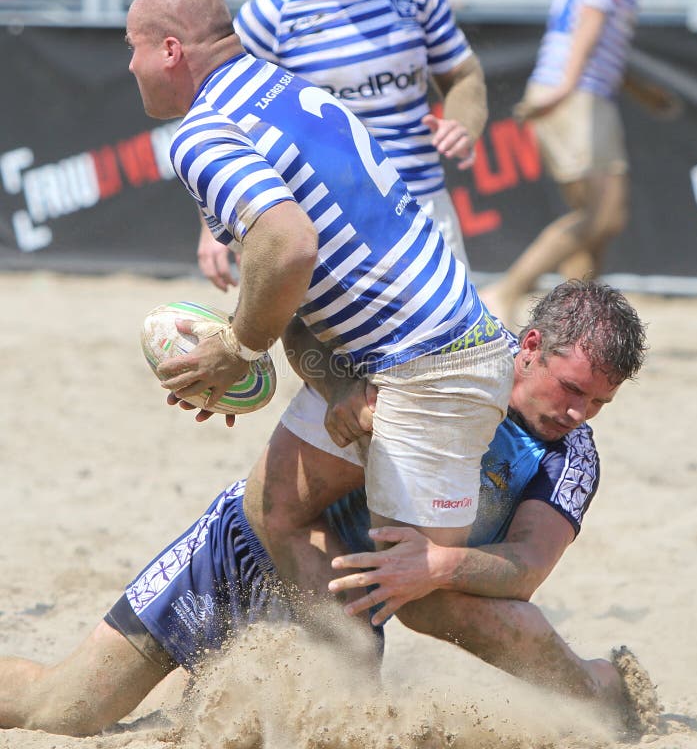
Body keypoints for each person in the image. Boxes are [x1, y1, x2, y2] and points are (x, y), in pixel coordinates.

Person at [0, 281, 657, 738]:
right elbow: (304, 316)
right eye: (572, 390)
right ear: (531, 345)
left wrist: (437, 562)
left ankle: (594, 692)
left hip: (343, 592)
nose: (578, 413)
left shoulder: (569, 454)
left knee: (461, 599)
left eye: (598, 403)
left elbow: (525, 569)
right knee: (67, 711)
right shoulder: (450, 353)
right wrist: (296, 371)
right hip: (247, 549)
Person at [125, 0, 513, 622]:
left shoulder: (201, 133)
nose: (129, 66)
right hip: (412, 350)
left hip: (430, 367)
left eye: (132, 47)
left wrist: (239, 348)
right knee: (276, 507)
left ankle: (585, 692)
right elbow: (301, 277)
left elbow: (289, 246)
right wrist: (330, 385)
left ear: (170, 50)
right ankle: (345, 691)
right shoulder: (284, 84)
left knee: (420, 595)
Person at [197, 0, 486, 291]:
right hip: (326, 218)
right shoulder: (272, 12)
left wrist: (462, 124)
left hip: (420, 203)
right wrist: (212, 226)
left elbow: (463, 75)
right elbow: (221, 115)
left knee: (460, 340)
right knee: (320, 345)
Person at [480, 0, 666, 331]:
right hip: (576, 97)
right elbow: (590, 22)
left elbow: (595, 32)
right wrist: (565, 89)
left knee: (593, 227)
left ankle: (573, 326)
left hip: (573, 91)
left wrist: (639, 89)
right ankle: (506, 292)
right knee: (603, 215)